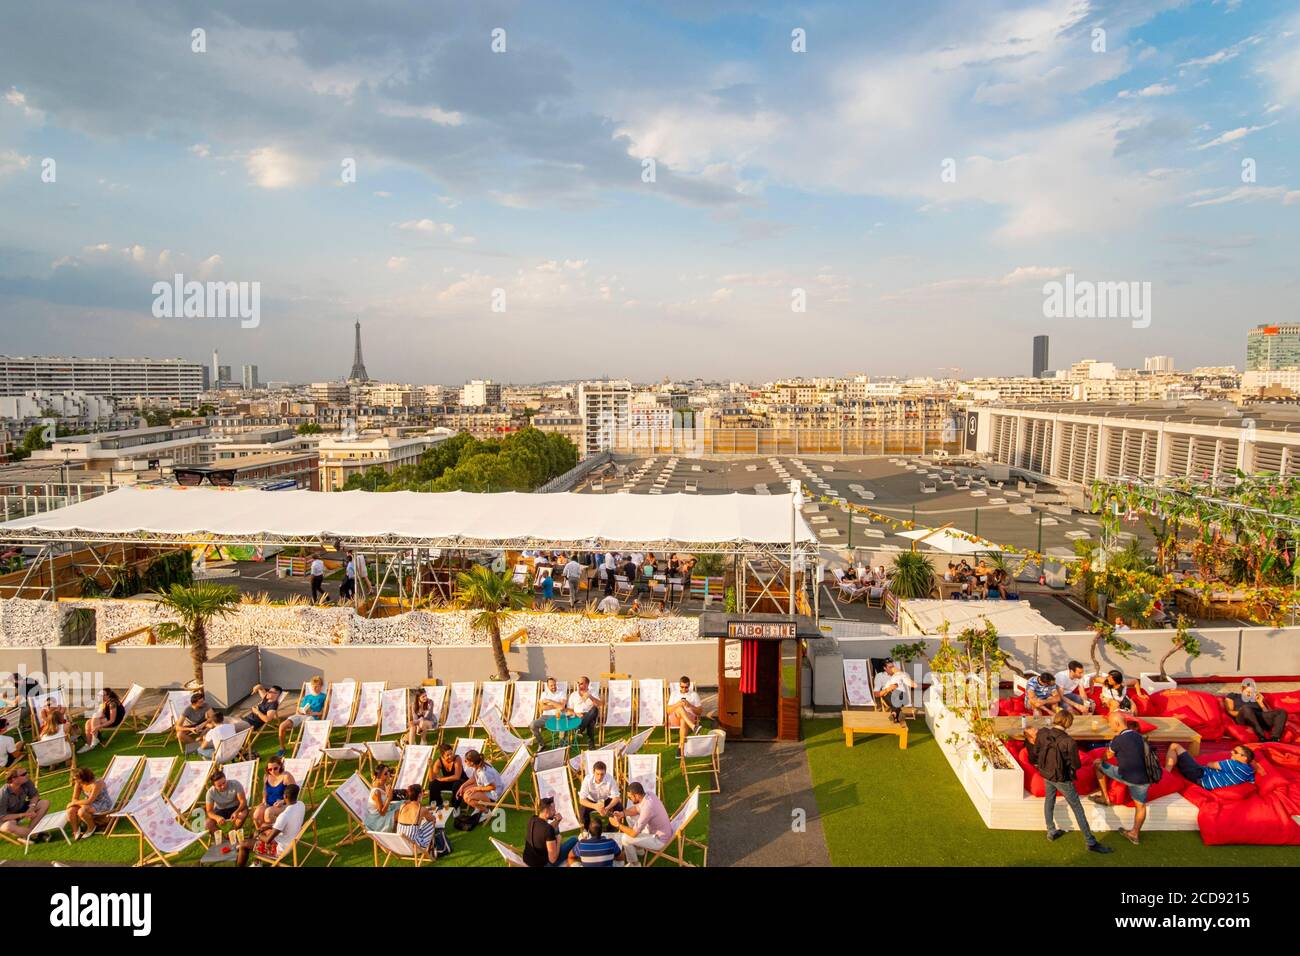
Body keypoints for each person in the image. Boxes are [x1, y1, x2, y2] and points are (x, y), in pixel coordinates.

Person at [1025, 711, 1112, 854]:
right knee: (1077, 808)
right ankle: (1090, 841)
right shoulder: (1069, 742)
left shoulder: (1042, 733)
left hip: (1046, 773)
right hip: (1062, 778)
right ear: (1068, 723)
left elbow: (1037, 752)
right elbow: (1076, 765)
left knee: (1049, 800)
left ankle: (1051, 831)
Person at [1091, 710, 1150, 845]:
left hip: (1126, 775)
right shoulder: (1139, 736)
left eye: (1111, 724)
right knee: (1140, 806)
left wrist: (1101, 759)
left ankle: (1105, 797)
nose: (1110, 726)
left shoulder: (1118, 739)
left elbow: (1108, 756)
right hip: (1145, 777)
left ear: (1117, 723)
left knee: (1098, 765)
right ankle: (1134, 833)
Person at [238, 783, 305, 865]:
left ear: (285, 796)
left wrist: (257, 834)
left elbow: (267, 840)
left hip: (279, 849)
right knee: (263, 827)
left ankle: (245, 849)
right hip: (290, 840)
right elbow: (283, 825)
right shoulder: (301, 804)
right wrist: (268, 826)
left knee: (243, 844)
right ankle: (256, 858)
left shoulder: (284, 816)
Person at [609, 781, 672, 866]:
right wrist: (622, 814)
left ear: (637, 795)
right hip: (659, 830)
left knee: (625, 838)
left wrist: (618, 825)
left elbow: (633, 833)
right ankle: (639, 850)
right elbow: (636, 809)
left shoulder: (647, 808)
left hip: (659, 840)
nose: (629, 799)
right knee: (628, 816)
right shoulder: (649, 795)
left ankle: (635, 864)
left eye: (630, 797)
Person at [1165, 742, 1256, 790]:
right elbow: (1253, 781)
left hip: (1199, 775)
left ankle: (1166, 774)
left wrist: (1211, 764)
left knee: (1174, 746)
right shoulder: (1249, 772)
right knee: (1181, 755)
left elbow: (1211, 764)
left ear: (1244, 758)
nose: (1232, 752)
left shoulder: (1234, 764)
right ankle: (1172, 765)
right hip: (1203, 781)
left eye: (1235, 752)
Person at [1223, 680, 1288, 742]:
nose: (1249, 694)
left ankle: (1275, 738)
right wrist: (1247, 712)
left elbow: (1266, 713)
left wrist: (1260, 702)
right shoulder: (1233, 696)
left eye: (1251, 692)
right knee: (1246, 708)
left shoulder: (1256, 698)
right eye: (1247, 691)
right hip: (1243, 717)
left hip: (1258, 717)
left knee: (1281, 712)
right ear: (1242, 689)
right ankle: (1261, 736)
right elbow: (1230, 711)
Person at [522, 797, 578, 867]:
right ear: (546, 811)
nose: (555, 812)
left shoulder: (533, 819)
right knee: (574, 839)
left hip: (528, 860)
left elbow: (546, 829)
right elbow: (553, 859)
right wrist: (558, 840)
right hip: (544, 864)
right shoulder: (548, 830)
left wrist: (557, 821)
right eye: (553, 810)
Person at [0, 767, 49, 844]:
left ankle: (28, 834)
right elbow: (2, 816)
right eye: (23, 774)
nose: (27, 775)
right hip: (6, 817)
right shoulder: (3, 794)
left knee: (44, 803)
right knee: (8, 826)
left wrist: (32, 806)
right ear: (13, 779)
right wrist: (24, 814)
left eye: (26, 772)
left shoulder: (26, 781)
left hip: (21, 807)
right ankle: (35, 834)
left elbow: (35, 795)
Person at [279, 675, 326, 751]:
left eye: (317, 686)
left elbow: (324, 712)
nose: (315, 688)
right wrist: (302, 711)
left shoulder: (323, 697)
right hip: (301, 715)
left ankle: (302, 746)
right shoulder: (307, 697)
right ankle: (282, 748)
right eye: (313, 686)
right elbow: (299, 710)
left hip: (312, 717)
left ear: (321, 686)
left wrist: (313, 713)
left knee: (307, 724)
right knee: (282, 725)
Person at [67, 767, 115, 840]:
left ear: (84, 777)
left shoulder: (97, 783)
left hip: (102, 803)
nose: (75, 781)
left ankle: (91, 827)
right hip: (88, 803)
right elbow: (74, 798)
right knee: (71, 810)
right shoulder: (79, 783)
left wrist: (74, 803)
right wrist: (74, 803)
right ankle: (76, 830)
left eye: (77, 779)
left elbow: (90, 800)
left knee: (82, 811)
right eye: (74, 779)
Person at [203, 768, 249, 840]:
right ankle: (225, 839)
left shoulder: (235, 784)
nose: (223, 786)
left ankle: (233, 832)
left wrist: (236, 812)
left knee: (243, 814)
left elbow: (243, 801)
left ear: (226, 779)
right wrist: (217, 818)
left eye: (224, 783)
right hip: (220, 809)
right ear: (214, 786)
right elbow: (209, 811)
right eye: (219, 786)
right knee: (208, 823)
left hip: (236, 807)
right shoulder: (210, 792)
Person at [251, 756, 296, 829]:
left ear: (280, 766)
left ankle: (276, 832)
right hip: (269, 803)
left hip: (284, 805)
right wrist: (264, 800)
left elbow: (294, 792)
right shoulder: (266, 776)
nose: (272, 771)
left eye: (275, 768)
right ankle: (262, 833)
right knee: (256, 815)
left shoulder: (286, 776)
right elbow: (265, 790)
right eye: (270, 769)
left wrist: (283, 801)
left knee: (268, 813)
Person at [393, 784, 439, 854]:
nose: (423, 793)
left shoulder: (403, 806)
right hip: (414, 846)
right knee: (431, 822)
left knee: (419, 826)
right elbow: (432, 819)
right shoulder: (421, 809)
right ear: (420, 795)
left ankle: (430, 844)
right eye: (422, 792)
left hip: (401, 844)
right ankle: (431, 846)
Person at [458, 750, 503, 817]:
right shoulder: (478, 764)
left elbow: (492, 787)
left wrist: (476, 789)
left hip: (493, 794)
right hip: (486, 787)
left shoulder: (483, 773)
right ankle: (479, 806)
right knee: (464, 789)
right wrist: (462, 786)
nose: (465, 762)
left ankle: (486, 812)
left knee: (467, 797)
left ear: (472, 763)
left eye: (466, 761)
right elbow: (474, 778)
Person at [577, 759, 623, 826]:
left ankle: (611, 828)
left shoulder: (610, 779)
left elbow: (616, 797)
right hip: (592, 801)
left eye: (602, 774)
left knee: (619, 806)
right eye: (597, 774)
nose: (599, 777)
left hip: (606, 800)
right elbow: (581, 800)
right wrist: (595, 806)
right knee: (582, 810)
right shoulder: (587, 779)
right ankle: (588, 830)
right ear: (593, 771)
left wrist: (607, 808)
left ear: (605, 772)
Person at [79, 687, 123, 753]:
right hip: (107, 718)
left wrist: (98, 727)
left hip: (115, 720)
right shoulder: (104, 702)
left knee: (93, 721)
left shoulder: (112, 704)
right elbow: (103, 714)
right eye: (99, 695)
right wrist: (96, 717)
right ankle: (89, 744)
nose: (100, 696)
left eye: (102, 695)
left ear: (108, 696)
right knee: (88, 722)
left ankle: (94, 740)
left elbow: (112, 720)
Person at [529, 677, 568, 750]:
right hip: (545, 716)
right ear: (547, 686)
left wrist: (549, 701)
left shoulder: (562, 693)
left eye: (554, 685)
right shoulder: (544, 694)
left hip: (559, 716)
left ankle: (561, 744)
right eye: (551, 685)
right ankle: (541, 744)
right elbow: (543, 708)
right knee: (532, 725)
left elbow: (562, 707)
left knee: (563, 724)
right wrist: (556, 705)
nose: (553, 687)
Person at [567, 676, 604, 748]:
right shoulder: (573, 695)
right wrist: (576, 714)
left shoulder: (593, 693)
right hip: (577, 716)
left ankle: (580, 729)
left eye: (581, 683)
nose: (579, 685)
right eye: (578, 683)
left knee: (595, 709)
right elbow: (569, 709)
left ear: (587, 684)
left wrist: (590, 696)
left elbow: (600, 705)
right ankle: (591, 747)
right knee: (591, 722)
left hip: (589, 714)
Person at [666, 676, 703, 744]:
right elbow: (668, 710)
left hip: (689, 718)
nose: (684, 689)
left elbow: (700, 712)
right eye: (682, 687)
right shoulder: (674, 694)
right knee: (680, 708)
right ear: (679, 685)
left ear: (689, 686)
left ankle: (681, 747)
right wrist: (678, 704)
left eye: (686, 687)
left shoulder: (694, 694)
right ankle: (693, 727)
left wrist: (690, 705)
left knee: (683, 719)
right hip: (675, 718)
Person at [365, 764, 398, 832]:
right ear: (379, 776)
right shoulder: (376, 792)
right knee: (400, 813)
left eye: (388, 771)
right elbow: (382, 813)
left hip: (386, 810)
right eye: (385, 773)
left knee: (405, 804)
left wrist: (390, 781)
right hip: (378, 820)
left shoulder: (382, 783)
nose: (388, 774)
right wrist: (389, 798)